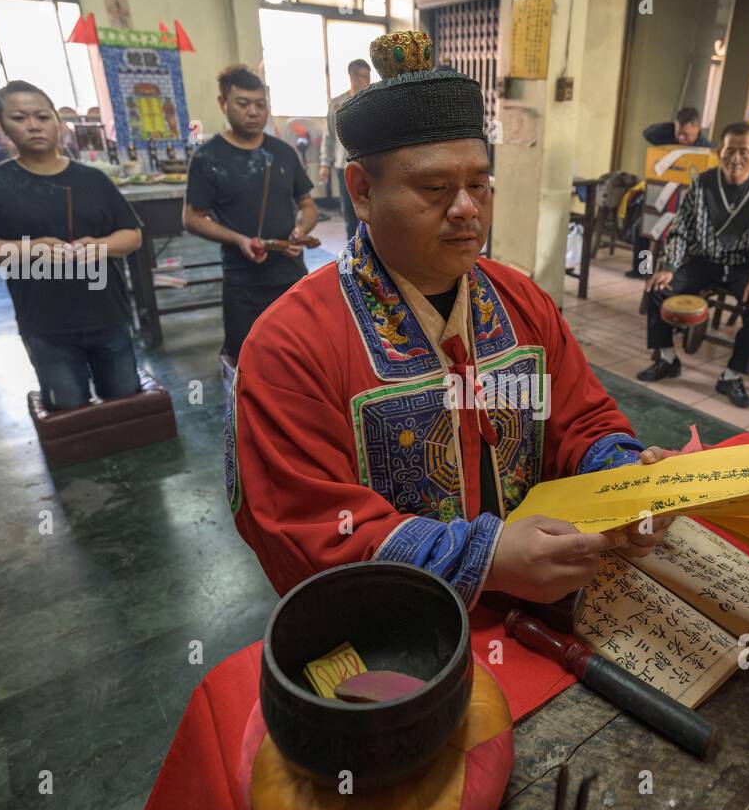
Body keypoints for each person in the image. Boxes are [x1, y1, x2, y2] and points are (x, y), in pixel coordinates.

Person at [227, 31, 674, 609]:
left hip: (544, 601)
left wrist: (625, 478)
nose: (466, 209)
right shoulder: (290, 345)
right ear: (362, 192)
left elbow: (578, 422)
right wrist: (486, 562)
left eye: (479, 185)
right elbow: (309, 527)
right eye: (435, 187)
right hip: (407, 631)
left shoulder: (522, 304)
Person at [0, 80, 144, 411]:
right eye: (19, 118)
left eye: (42, 117)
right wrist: (30, 249)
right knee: (68, 412)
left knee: (126, 406)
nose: (33, 125)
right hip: (44, 322)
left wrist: (100, 246)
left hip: (108, 314)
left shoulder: (92, 180)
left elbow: (132, 234)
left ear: (57, 123)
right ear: (2, 126)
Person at [636, 122, 749, 409]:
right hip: (704, 261)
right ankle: (667, 358)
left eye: (744, 151)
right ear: (719, 151)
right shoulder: (702, 182)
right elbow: (681, 229)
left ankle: (732, 375)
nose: (736, 158)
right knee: (658, 286)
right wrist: (669, 265)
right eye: (730, 150)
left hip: (745, 266)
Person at [184, 64, 318, 363]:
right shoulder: (208, 158)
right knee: (247, 362)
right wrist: (238, 239)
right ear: (223, 104)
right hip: (242, 283)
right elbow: (192, 218)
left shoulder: (283, 152)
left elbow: (308, 206)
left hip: (291, 277)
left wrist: (300, 231)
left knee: (301, 358)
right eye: (243, 104)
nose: (253, 112)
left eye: (260, 104)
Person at [625, 107, 710, 279]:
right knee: (644, 231)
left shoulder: (706, 149)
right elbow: (647, 133)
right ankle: (642, 269)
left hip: (686, 202)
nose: (681, 139)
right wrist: (671, 128)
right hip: (658, 194)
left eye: (686, 134)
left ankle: (677, 273)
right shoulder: (667, 137)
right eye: (679, 133)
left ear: (697, 129)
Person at [321, 58, 373, 240]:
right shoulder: (337, 104)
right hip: (343, 166)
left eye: (368, 77)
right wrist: (324, 164)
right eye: (362, 76)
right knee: (350, 214)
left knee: (371, 212)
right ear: (352, 76)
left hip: (369, 165)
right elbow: (329, 135)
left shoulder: (373, 101)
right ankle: (353, 252)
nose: (366, 81)